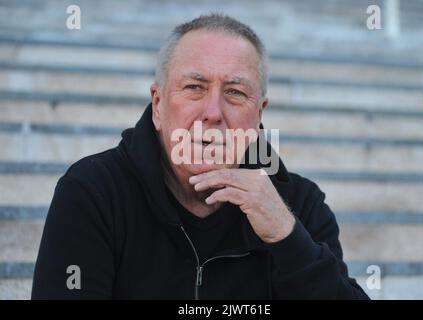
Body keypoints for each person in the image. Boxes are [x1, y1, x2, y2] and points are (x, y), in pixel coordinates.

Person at [31, 14, 369, 299]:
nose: (213, 113)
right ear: (158, 105)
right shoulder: (94, 192)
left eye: (235, 92)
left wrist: (286, 234)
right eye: (194, 87)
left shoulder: (300, 203)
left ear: (259, 115)